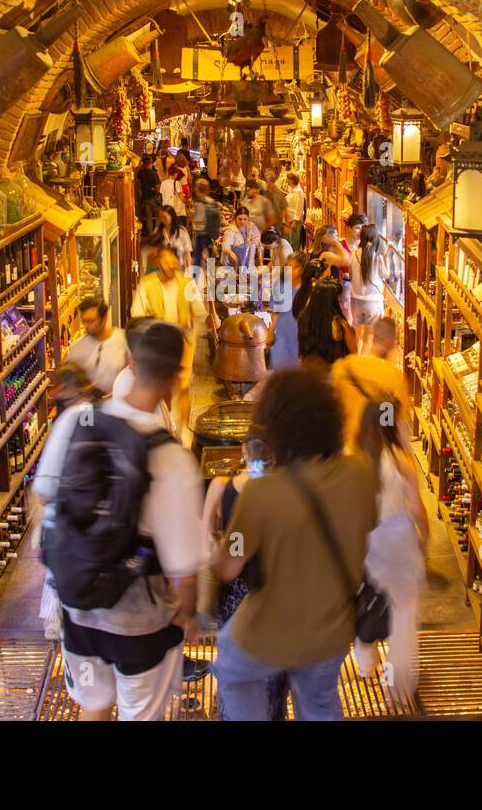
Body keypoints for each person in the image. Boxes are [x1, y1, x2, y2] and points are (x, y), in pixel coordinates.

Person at [36, 322, 202, 720]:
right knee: (139, 712)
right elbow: (184, 569)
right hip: (139, 622)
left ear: (130, 361)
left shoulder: (77, 420)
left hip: (79, 607)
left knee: (92, 705)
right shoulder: (172, 459)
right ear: (177, 377)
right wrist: (190, 612)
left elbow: (45, 493)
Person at [211, 370, 378, 721]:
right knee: (319, 703)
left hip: (268, 635)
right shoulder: (359, 474)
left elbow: (228, 566)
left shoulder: (262, 493)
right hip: (332, 632)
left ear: (277, 428)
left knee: (230, 669)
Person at [200, 429, 289, 719]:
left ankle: (233, 710)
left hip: (234, 592)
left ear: (243, 451)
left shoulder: (221, 485)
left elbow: (204, 540)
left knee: (235, 661)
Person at [352, 395, 427, 702]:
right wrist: (425, 541)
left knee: (368, 596)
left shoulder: (355, 459)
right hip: (397, 542)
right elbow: (419, 511)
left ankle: (365, 657)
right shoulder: (401, 461)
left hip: (367, 542)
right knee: (403, 610)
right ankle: (396, 683)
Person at [130, 247, 215, 440]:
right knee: (165, 387)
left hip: (183, 340)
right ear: (158, 265)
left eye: (172, 262)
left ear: (177, 263)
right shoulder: (147, 284)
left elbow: (198, 311)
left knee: (184, 384)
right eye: (165, 263)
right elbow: (137, 314)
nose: (169, 266)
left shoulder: (187, 283)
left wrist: (190, 324)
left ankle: (184, 428)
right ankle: (168, 423)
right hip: (159, 343)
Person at [331, 316, 411, 452]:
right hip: (375, 454)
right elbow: (396, 427)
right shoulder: (394, 378)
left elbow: (335, 412)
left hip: (347, 450)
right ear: (387, 341)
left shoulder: (343, 368)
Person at [66, 297, 129, 396]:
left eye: (90, 321)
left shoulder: (123, 340)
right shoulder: (76, 348)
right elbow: (69, 382)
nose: (86, 326)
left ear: (104, 319)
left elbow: (133, 376)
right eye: (84, 321)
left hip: (118, 406)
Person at [349, 223, 393, 347]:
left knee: (358, 336)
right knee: (369, 337)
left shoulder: (354, 254)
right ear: (375, 239)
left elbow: (351, 277)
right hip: (373, 302)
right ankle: (363, 364)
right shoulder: (377, 257)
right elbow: (386, 274)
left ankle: (357, 359)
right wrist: (387, 257)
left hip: (356, 300)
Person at [298, 279, 355, 373]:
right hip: (332, 372)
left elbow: (301, 348)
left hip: (309, 370)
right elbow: (353, 352)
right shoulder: (339, 324)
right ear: (333, 300)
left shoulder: (303, 318)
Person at [268, 251, 307, 371]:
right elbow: (275, 312)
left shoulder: (308, 289)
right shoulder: (280, 286)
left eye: (295, 267)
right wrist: (270, 332)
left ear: (302, 269)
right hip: (282, 333)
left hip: (300, 334)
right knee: (279, 367)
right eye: (289, 266)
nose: (291, 270)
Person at [189, 176, 222, 269]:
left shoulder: (199, 203)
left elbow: (197, 219)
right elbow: (217, 220)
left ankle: (196, 279)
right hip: (210, 234)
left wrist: (192, 215)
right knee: (210, 258)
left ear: (197, 189)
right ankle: (210, 280)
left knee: (197, 257)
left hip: (202, 233)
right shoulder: (212, 202)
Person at [220, 206, 261, 272]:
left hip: (247, 259)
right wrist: (230, 253)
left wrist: (254, 240)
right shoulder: (231, 230)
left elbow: (258, 238)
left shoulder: (252, 226)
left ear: (248, 219)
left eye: (245, 219)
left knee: (252, 245)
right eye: (240, 219)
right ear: (235, 218)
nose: (242, 222)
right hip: (233, 260)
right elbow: (225, 246)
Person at [156, 205, 193, 273]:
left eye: (164, 217)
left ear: (172, 216)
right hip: (164, 271)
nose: (162, 220)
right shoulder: (159, 232)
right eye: (160, 218)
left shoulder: (181, 232)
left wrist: (189, 271)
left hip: (180, 269)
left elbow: (187, 254)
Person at [135, 152, 160, 230]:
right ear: (150, 163)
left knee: (148, 217)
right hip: (152, 197)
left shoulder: (140, 173)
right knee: (158, 215)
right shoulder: (154, 174)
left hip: (144, 197)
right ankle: (156, 231)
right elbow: (158, 187)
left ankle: (151, 234)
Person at [285, 173, 306, 251]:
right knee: (291, 241)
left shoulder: (298, 192)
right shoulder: (293, 190)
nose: (286, 181)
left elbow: (299, 207)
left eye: (288, 179)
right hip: (290, 220)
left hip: (294, 221)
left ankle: (294, 259)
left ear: (292, 180)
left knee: (294, 242)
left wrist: (295, 221)